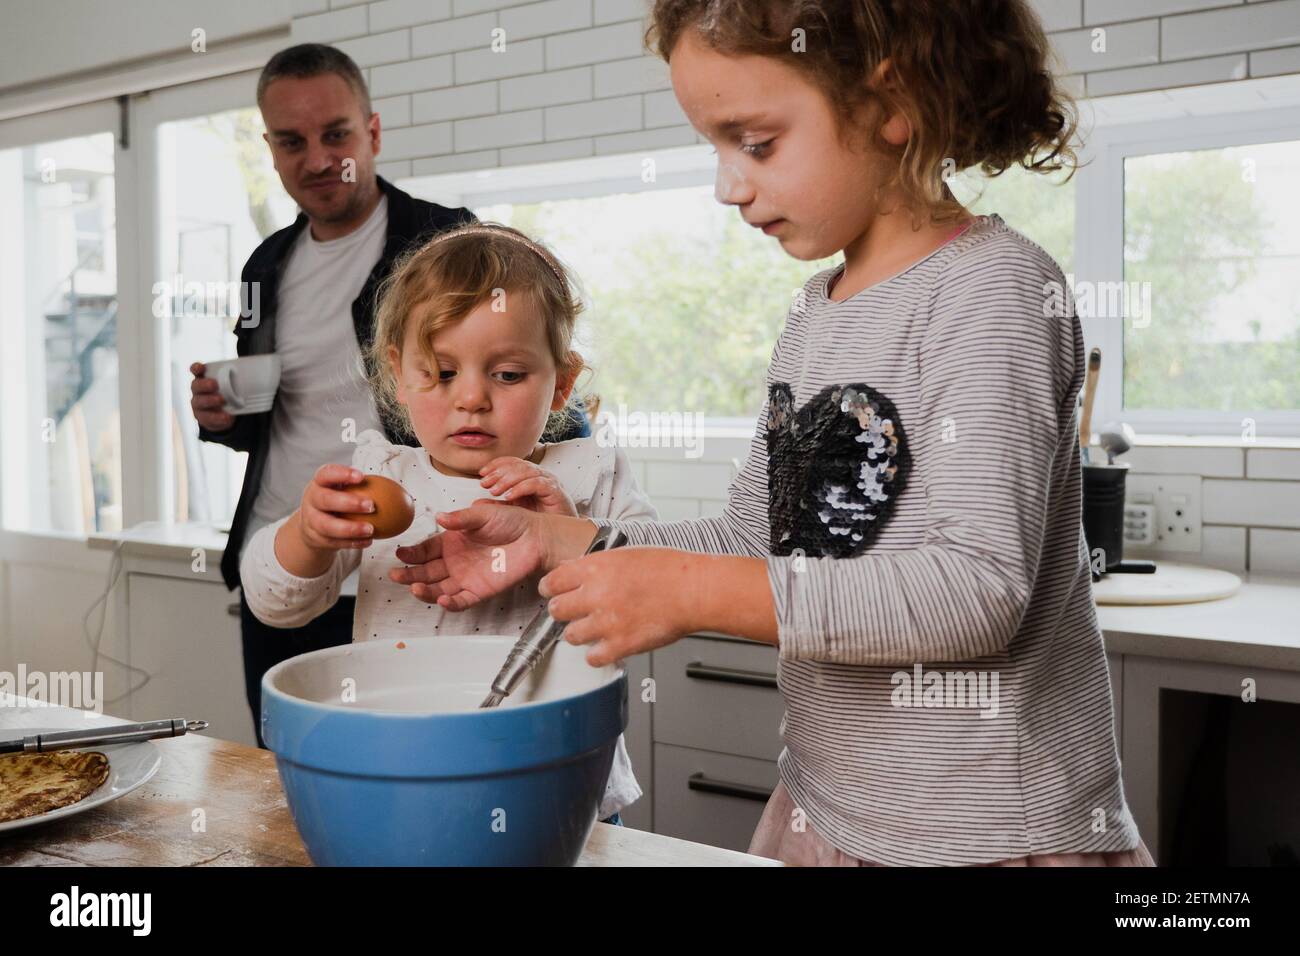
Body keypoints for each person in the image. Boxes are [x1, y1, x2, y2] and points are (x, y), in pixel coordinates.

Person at [388, 0, 1155, 866]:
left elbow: (975, 592)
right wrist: (564, 540)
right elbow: (754, 540)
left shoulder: (993, 290)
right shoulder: (814, 317)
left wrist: (687, 592)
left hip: (977, 829)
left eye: (754, 142)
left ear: (892, 99)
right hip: (829, 803)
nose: (729, 184)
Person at [189, 44, 582, 747]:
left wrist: (563, 467)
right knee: (297, 765)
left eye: (335, 134)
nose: (316, 159)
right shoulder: (265, 263)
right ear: (271, 151)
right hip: (292, 549)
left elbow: (520, 353)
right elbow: (272, 409)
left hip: (413, 552)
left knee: (428, 754)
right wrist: (221, 418)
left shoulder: (443, 237)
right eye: (291, 141)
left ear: (371, 133)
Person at [239, 223, 652, 825]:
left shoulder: (591, 474)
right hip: (406, 769)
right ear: (399, 374)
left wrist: (566, 538)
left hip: (561, 775)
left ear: (562, 380)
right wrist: (307, 536)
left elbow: (655, 592)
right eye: (441, 371)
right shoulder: (382, 473)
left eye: (508, 374)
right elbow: (276, 604)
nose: (472, 399)